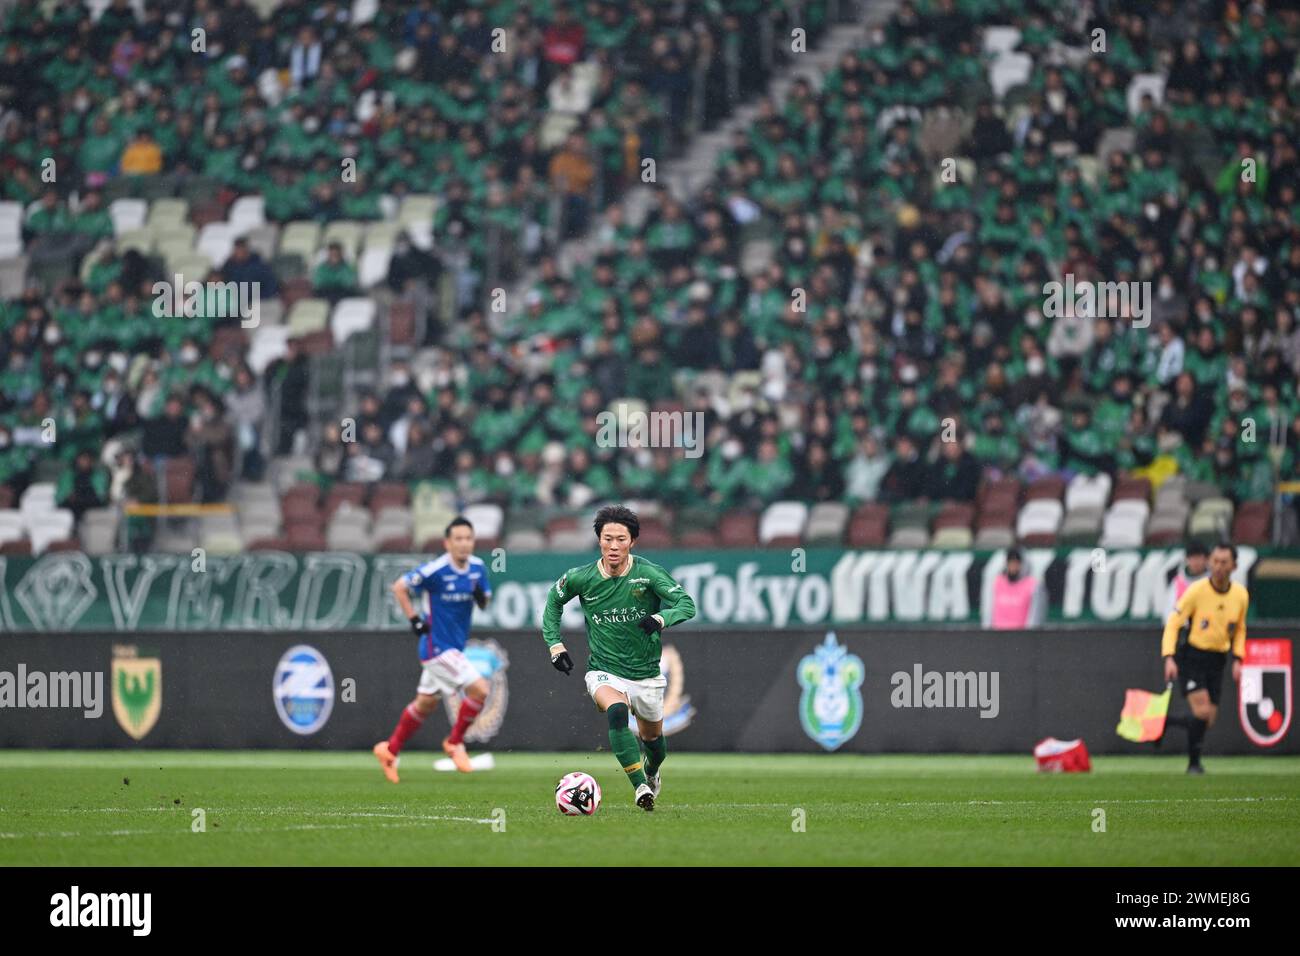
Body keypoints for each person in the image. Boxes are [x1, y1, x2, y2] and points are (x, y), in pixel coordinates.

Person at [542, 505, 696, 811]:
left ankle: (651, 772)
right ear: (598, 540)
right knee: (616, 709)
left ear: (633, 542)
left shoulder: (648, 574)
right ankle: (640, 786)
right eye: (607, 538)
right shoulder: (580, 577)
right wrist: (554, 645)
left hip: (646, 675)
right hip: (603, 670)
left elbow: (686, 604)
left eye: (621, 539)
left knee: (655, 745)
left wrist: (661, 619)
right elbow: (553, 602)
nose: (614, 546)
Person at [373, 517, 492, 782]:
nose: (463, 544)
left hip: (454, 647)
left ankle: (389, 750)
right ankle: (455, 742)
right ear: (447, 543)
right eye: (458, 539)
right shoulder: (436, 570)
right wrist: (414, 619)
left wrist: (481, 598)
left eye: (468, 538)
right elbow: (400, 586)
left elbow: (485, 601)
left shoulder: (478, 568)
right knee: (480, 690)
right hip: (436, 647)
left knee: (425, 704)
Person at [1158, 543, 1248, 774]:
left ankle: (1165, 722)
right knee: (1202, 712)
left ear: (1234, 566)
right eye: (1215, 561)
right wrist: (1169, 656)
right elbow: (1173, 623)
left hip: (1218, 659)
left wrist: (1238, 658)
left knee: (1208, 719)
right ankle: (1194, 764)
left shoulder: (1240, 595)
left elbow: (1239, 628)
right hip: (1192, 657)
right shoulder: (1197, 591)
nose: (1218, 566)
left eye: (1224, 562)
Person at [983, 547, 1046, 629]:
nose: (1013, 566)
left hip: (1021, 636)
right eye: (1010, 562)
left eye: (1016, 562)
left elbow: (1035, 616)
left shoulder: (1033, 585)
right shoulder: (996, 582)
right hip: (998, 636)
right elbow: (988, 612)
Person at [1166, 540, 1209, 616]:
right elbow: (1169, 611)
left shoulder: (1215, 580)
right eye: (1192, 558)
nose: (1196, 562)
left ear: (1206, 559)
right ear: (1186, 559)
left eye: (1199, 557)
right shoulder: (1177, 582)